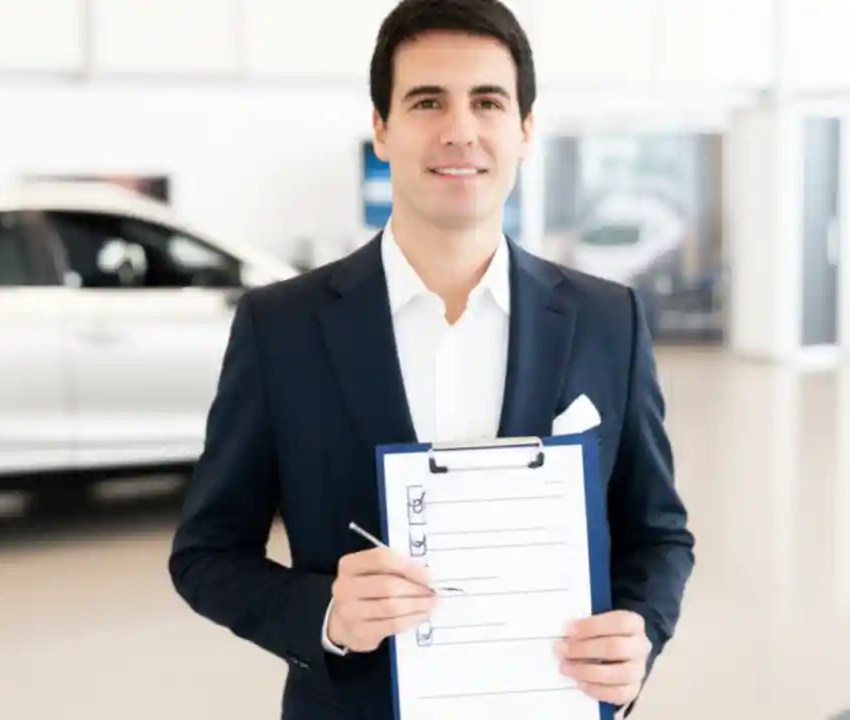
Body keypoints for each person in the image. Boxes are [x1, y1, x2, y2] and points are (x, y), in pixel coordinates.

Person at [167, 0, 695, 717]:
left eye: (487, 102)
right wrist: (323, 611)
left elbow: (657, 534)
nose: (460, 131)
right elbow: (206, 552)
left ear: (524, 129)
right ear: (381, 129)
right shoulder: (281, 326)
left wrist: (641, 633)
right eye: (426, 101)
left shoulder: (608, 320)